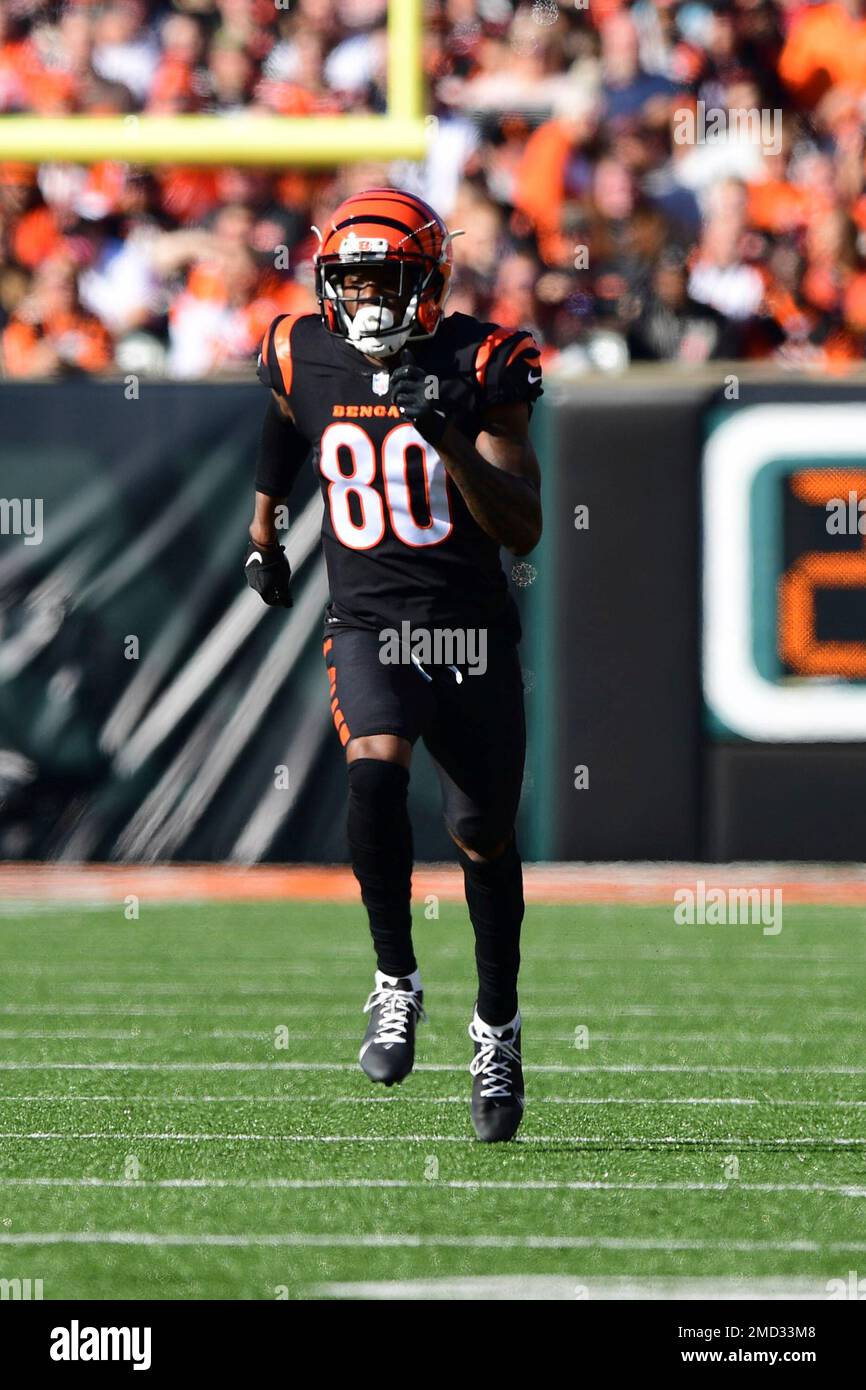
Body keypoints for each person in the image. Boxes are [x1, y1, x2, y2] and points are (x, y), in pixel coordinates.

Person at [245, 188, 542, 1141]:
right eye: (353, 279)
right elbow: (288, 415)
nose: (369, 299)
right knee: (372, 771)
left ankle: (496, 1024)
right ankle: (394, 977)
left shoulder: (480, 360)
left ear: (429, 280)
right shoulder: (300, 346)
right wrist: (263, 528)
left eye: (387, 278)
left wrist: (446, 432)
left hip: (469, 633)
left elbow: (523, 526)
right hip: (368, 624)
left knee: (483, 836)